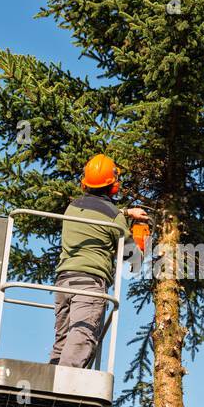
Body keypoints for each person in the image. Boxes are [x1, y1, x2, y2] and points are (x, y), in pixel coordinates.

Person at [50, 154, 148, 369]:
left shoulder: (73, 207)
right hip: (90, 283)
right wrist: (142, 242)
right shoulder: (115, 217)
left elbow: (99, 214)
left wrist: (126, 212)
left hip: (63, 282)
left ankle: (51, 380)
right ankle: (64, 385)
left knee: (63, 339)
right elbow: (133, 258)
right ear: (113, 187)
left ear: (84, 183)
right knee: (82, 334)